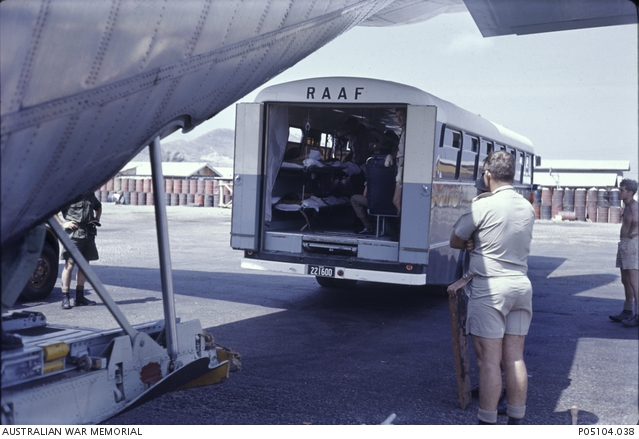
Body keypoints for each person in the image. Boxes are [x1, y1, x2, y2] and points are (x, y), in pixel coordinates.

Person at [448, 151, 535, 425]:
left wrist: (472, 242)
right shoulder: (526, 206)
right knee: (515, 359)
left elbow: (455, 240)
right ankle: (515, 420)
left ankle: (486, 423)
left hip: (491, 289)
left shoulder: (482, 206)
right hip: (521, 285)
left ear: (487, 176)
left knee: (488, 361)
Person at [53, 193, 102, 309]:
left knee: (84, 266)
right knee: (69, 265)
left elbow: (98, 206)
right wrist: (62, 223)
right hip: (73, 235)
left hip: (88, 234)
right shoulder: (69, 194)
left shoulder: (89, 194)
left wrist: (97, 218)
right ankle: (65, 297)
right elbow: (53, 211)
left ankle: (80, 297)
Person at [609, 178, 639, 327]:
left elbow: (636, 220)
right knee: (625, 280)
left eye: (622, 190)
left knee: (634, 281)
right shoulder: (627, 205)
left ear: (630, 192)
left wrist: (635, 230)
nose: (619, 192)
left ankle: (638, 315)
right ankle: (627, 311)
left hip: (631, 245)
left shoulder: (634, 206)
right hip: (624, 245)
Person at [392, 108, 406, 212]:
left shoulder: (409, 132)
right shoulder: (404, 131)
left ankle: (402, 226)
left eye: (401, 115)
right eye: (397, 116)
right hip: (400, 169)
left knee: (396, 200)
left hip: (403, 171)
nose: (399, 119)